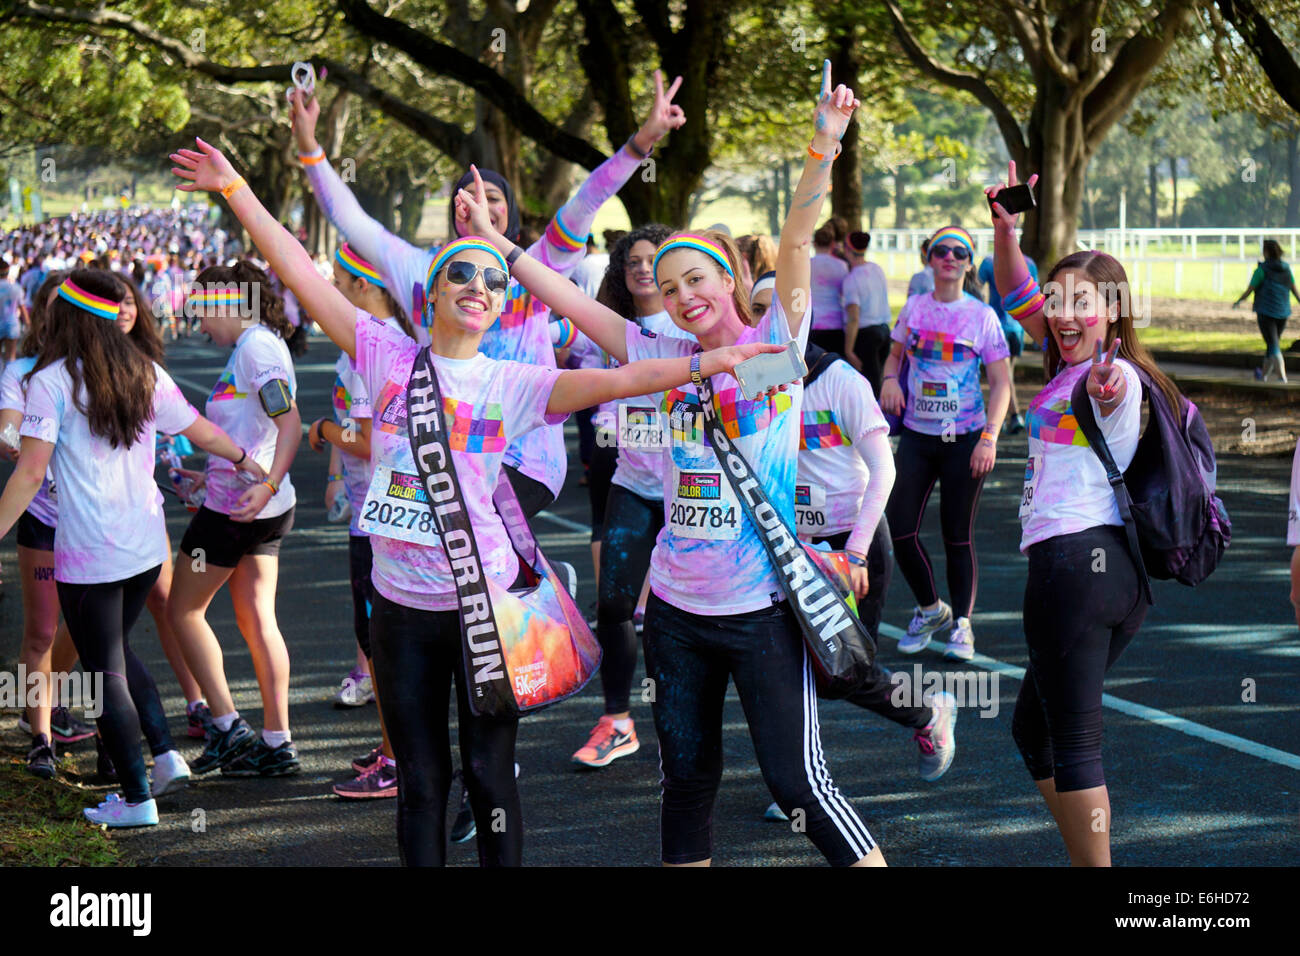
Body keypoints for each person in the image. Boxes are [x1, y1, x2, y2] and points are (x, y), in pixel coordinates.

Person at [170, 136, 781, 865]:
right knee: (422, 784)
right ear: (430, 292)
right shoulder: (384, 356)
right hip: (401, 613)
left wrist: (714, 358)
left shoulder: (514, 384)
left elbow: (628, 378)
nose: (478, 286)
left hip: (481, 610)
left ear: (500, 304)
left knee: (492, 780)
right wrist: (236, 186)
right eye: (460, 272)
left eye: (494, 282)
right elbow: (301, 274)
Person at [467, 64, 886, 867]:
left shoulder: (776, 351)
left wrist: (824, 144)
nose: (685, 295)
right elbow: (569, 300)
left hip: (762, 610)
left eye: (697, 278)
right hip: (678, 616)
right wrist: (499, 247)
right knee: (685, 780)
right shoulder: (658, 353)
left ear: (727, 279)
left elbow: (797, 238)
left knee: (798, 784)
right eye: (668, 285)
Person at [287, 70, 687, 523]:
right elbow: (350, 217)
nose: (478, 201)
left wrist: (640, 144)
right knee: (440, 564)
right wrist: (308, 146)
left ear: (508, 212)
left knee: (468, 543)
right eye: (466, 193)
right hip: (446, 452)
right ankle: (532, 586)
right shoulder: (420, 272)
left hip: (524, 461)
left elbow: (587, 201)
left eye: (493, 196)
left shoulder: (533, 270)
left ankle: (527, 585)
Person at [0, 269, 263, 827]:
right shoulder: (142, 370)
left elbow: (29, 474)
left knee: (103, 673)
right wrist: (244, 460)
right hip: (145, 549)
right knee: (115, 654)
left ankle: (137, 797)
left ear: (66, 318)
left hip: (89, 553)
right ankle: (165, 758)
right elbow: (198, 428)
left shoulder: (50, 381)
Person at [989, 161, 1183, 866]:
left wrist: (1103, 383)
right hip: (1100, 573)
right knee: (1032, 734)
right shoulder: (1066, 356)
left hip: (1077, 568)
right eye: (1059, 300)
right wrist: (1009, 232)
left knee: (1073, 744)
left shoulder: (1111, 375)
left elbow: (1109, 391)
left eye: (1084, 303)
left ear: (1113, 312)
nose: (1066, 314)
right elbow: (1017, 289)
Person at [760, 292, 958, 816]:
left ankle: (927, 712)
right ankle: (800, 784)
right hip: (789, 548)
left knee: (842, 673)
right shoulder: (755, 379)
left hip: (855, 543)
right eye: (754, 312)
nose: (763, 322)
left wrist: (855, 553)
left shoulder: (842, 381)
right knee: (784, 666)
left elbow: (885, 469)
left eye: (772, 311)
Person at [166, 260, 302, 778]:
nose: (199, 325)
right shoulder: (254, 347)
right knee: (255, 619)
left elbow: (289, 423)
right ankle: (276, 741)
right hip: (254, 505)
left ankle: (226, 727)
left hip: (239, 511)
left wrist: (263, 481)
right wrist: (210, 475)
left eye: (202, 312)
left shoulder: (256, 349)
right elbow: (257, 430)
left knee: (182, 611)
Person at [569, 223, 689, 768]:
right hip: (634, 485)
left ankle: (682, 726)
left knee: (684, 614)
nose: (643, 269)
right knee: (614, 603)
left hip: (693, 495)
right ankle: (617, 722)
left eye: (653, 261)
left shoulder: (690, 328)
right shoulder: (613, 332)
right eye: (633, 261)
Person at [305, 242, 415, 799]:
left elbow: (368, 439)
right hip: (371, 512)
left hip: (382, 519)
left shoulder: (370, 351)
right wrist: (331, 468)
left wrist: (323, 430)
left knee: (381, 643)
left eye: (342, 283)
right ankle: (395, 746)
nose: (334, 294)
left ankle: (399, 761)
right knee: (377, 639)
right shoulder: (364, 348)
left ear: (364, 285)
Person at [879, 225, 1012, 661]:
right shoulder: (915, 307)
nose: (950, 257)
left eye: (960, 252)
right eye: (941, 251)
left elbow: (1001, 384)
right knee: (899, 528)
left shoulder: (983, 316)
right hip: (918, 435)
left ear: (969, 262)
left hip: (966, 438)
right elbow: (895, 354)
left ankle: (962, 627)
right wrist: (887, 380)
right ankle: (930, 609)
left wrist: (988, 439)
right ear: (929, 259)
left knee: (957, 536)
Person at [979, 252, 1037, 434]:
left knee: (1002, 375)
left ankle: (1013, 415)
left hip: (998, 326)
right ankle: (1006, 416)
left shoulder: (988, 262)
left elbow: (978, 290)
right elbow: (1034, 294)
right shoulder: (1029, 262)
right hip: (1018, 327)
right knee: (1006, 372)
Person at [1233, 239, 1299, 383]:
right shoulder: (1287, 269)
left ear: (1267, 252)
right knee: (1272, 344)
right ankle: (1263, 376)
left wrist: (1238, 301)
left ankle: (1282, 377)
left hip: (1266, 312)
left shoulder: (1261, 270)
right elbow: (1294, 289)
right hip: (1283, 312)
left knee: (1273, 344)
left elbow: (1250, 289)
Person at [840, 230, 892, 392]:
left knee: (870, 387)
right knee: (880, 381)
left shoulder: (851, 280)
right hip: (884, 331)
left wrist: (848, 350)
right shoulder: (877, 269)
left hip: (867, 337)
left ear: (847, 249)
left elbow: (853, 318)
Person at [808, 225, 849, 355]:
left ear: (814, 243)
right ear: (832, 244)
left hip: (812, 322)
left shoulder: (807, 265)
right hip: (836, 323)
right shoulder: (842, 266)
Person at [0, 269, 28, 364]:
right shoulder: (16, 288)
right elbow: (22, 307)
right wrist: (28, 322)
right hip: (12, 324)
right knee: (11, 356)